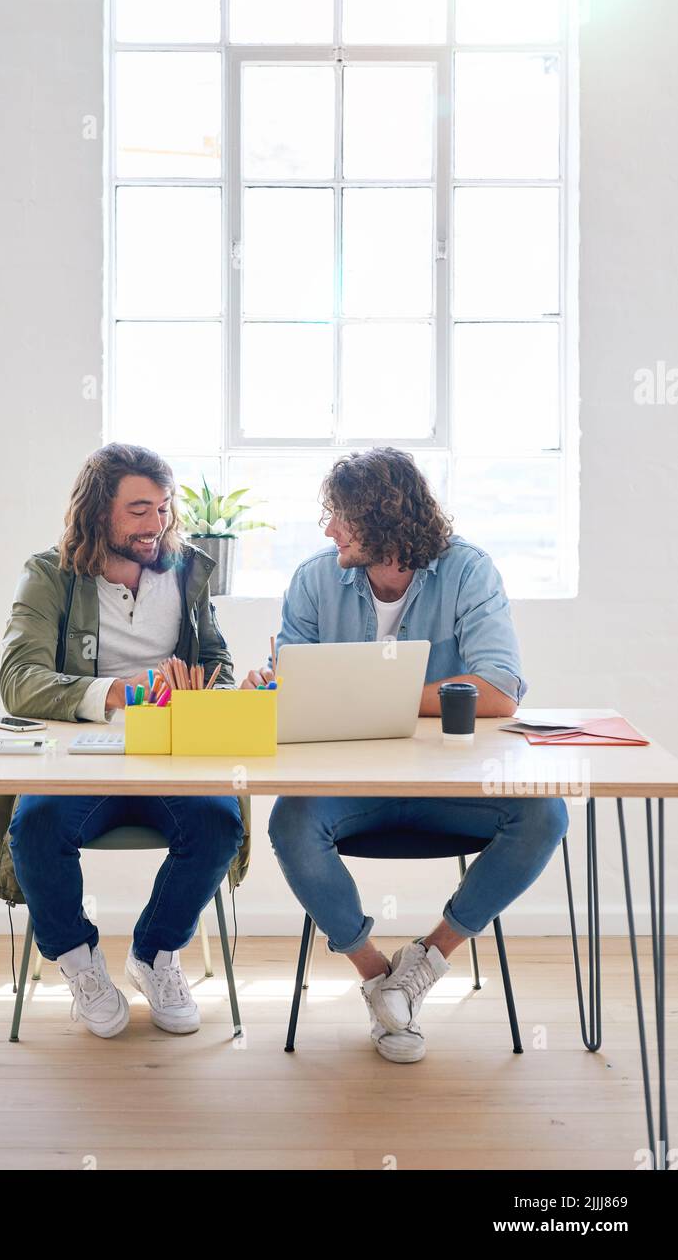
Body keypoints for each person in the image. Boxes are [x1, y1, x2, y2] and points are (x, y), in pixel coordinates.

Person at [242, 448, 567, 1064]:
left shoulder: (468, 572)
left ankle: (425, 961)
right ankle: (377, 978)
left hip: (450, 787)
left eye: (340, 516)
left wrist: (378, 700)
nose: (328, 529)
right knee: (289, 822)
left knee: (544, 814)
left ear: (383, 522)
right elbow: (292, 690)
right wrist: (273, 690)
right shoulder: (314, 580)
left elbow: (496, 691)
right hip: (352, 790)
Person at [0, 443, 247, 1040]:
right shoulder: (50, 574)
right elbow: (16, 679)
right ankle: (80, 963)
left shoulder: (188, 570)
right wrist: (114, 691)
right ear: (98, 511)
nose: (154, 525)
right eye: (138, 510)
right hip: (83, 759)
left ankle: (156, 953)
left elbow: (218, 662)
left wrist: (212, 690)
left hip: (170, 754)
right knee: (34, 830)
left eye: (162, 509)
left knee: (218, 826)